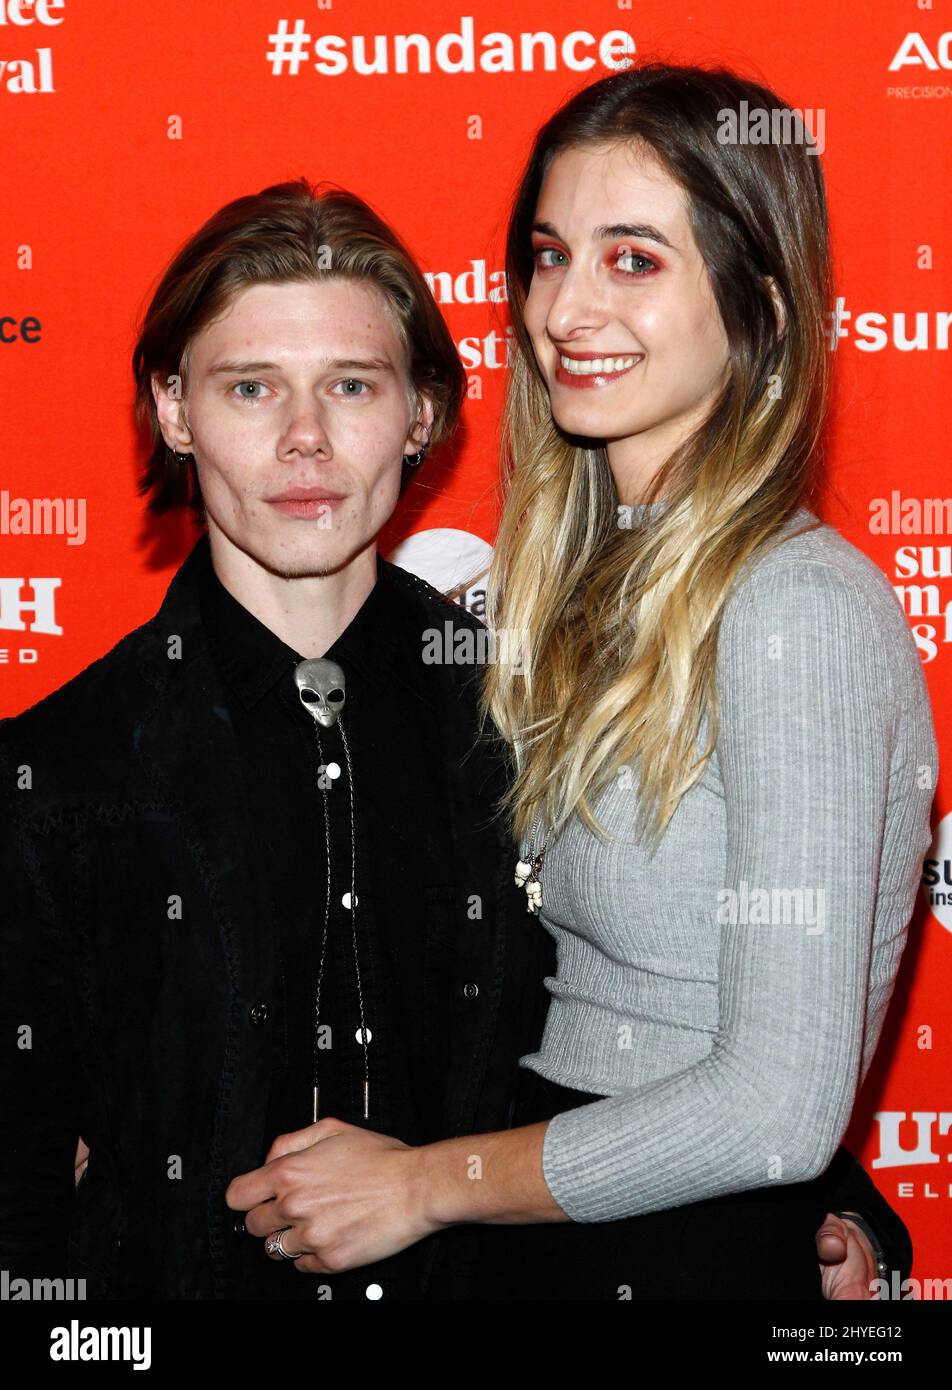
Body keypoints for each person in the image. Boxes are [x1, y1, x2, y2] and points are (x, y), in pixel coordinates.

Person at [0, 176, 912, 1302]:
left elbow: (644, 1001)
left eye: (351, 385)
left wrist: (817, 1200)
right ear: (175, 409)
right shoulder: (56, 773)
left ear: (423, 411)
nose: (305, 440)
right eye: (249, 388)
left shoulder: (536, 711)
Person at [213, 69, 936, 1302]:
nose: (568, 307)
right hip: (556, 1223)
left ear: (758, 303)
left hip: (660, 1248)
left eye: (635, 259)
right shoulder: (563, 593)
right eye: (550, 255)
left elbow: (774, 1105)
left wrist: (424, 1183)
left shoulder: (794, 614)